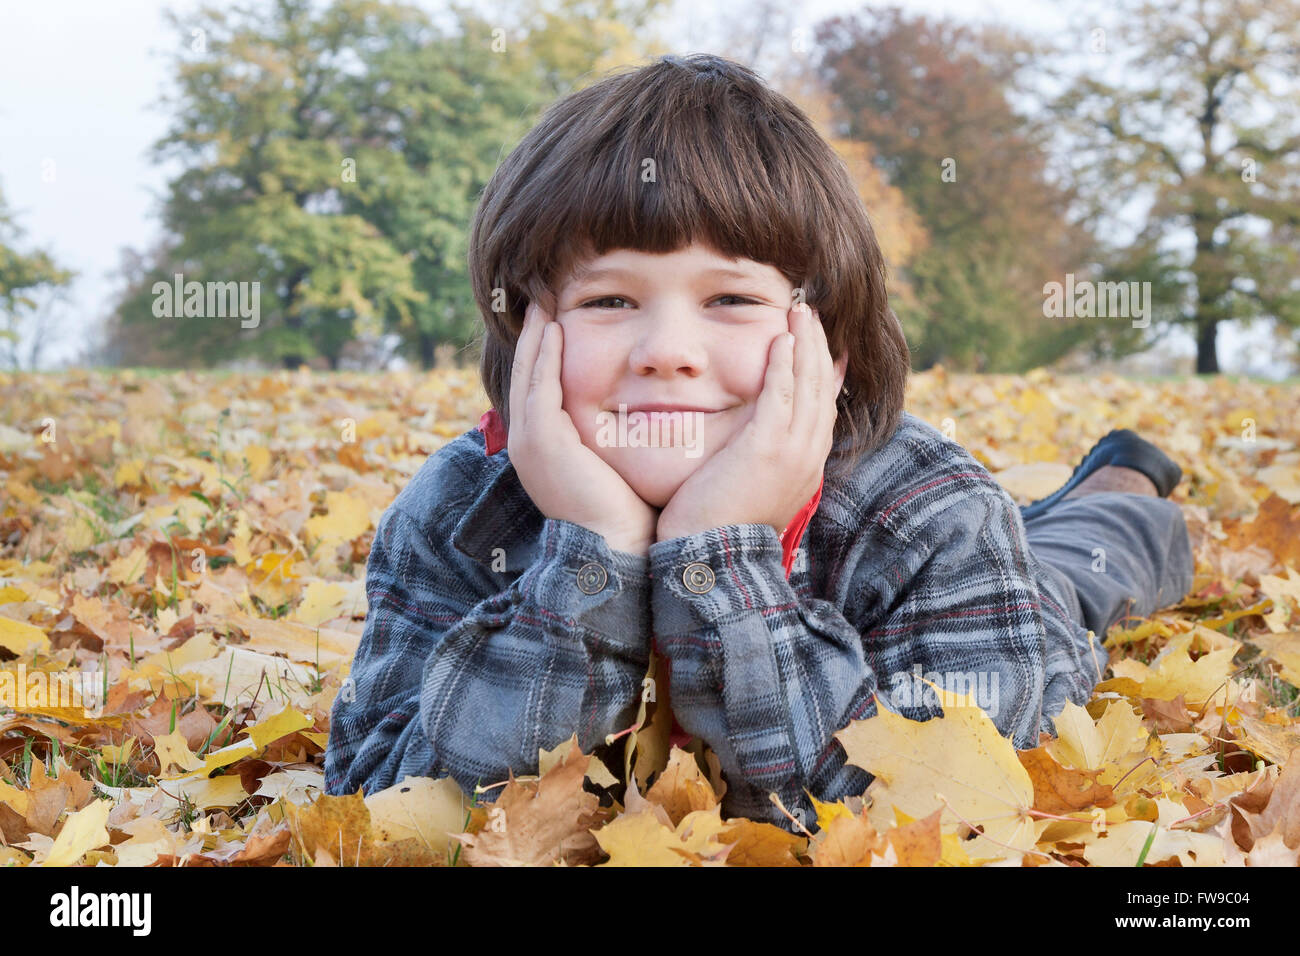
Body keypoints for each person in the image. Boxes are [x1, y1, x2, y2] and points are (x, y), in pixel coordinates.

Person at [323, 53, 1195, 832]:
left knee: (1078, 567)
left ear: (832, 344)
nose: (666, 352)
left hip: (1018, 603)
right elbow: (387, 809)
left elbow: (902, 820)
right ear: (524, 341)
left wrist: (717, 563)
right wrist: (591, 561)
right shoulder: (461, 509)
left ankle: (1117, 491)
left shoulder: (933, 514)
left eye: (731, 300)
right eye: (608, 301)